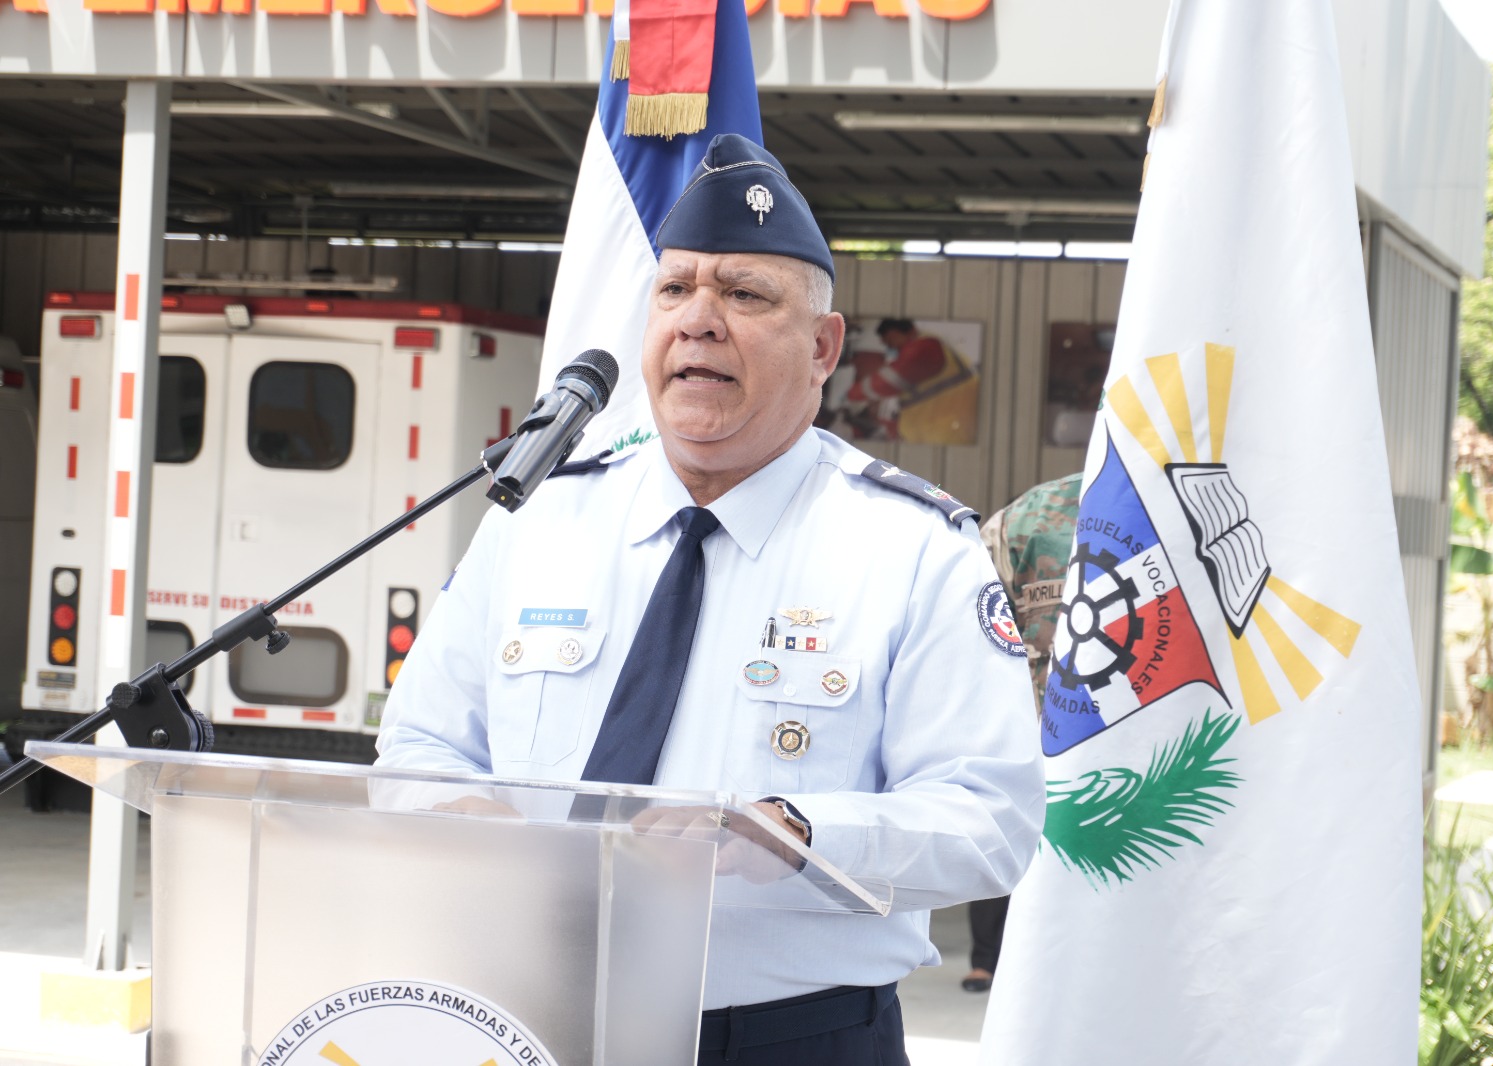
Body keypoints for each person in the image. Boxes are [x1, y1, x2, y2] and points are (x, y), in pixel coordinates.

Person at [375, 133, 1044, 1066]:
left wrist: (800, 833)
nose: (698, 319)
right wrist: (461, 817)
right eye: (674, 288)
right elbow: (419, 746)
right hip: (527, 1021)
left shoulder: (911, 549)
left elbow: (990, 822)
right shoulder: (540, 520)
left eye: (744, 294)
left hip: (789, 1042)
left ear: (822, 348)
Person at [960, 472, 1084, 994]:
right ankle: (988, 959)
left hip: (1135, 741)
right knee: (1002, 832)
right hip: (1025, 722)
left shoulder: (1175, 504)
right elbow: (971, 618)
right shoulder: (1031, 517)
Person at [845, 318, 980, 445]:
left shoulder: (926, 348)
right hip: (940, 430)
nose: (889, 347)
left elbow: (884, 383)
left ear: (894, 332)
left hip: (948, 433)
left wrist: (851, 394)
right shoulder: (928, 345)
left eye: (888, 341)